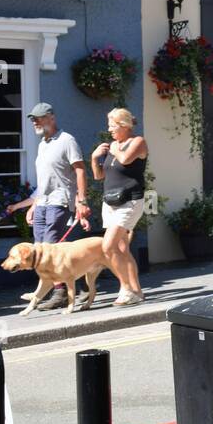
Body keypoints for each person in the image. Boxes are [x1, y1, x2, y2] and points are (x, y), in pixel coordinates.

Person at [6, 103, 91, 310]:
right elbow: (45, 181)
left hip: (60, 200)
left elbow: (80, 171)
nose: (34, 121)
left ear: (51, 118)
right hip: (43, 202)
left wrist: (81, 200)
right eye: (33, 118)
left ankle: (60, 292)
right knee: (39, 249)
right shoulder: (43, 143)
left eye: (39, 117)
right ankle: (73, 287)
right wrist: (33, 205)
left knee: (50, 247)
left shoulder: (67, 140)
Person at [91, 108, 148, 305]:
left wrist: (115, 148)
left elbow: (125, 159)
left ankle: (126, 289)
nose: (109, 130)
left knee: (108, 246)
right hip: (110, 202)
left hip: (130, 201)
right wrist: (94, 157)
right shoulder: (114, 145)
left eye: (112, 125)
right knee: (122, 248)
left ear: (124, 126)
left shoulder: (138, 142)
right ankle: (137, 292)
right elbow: (100, 176)